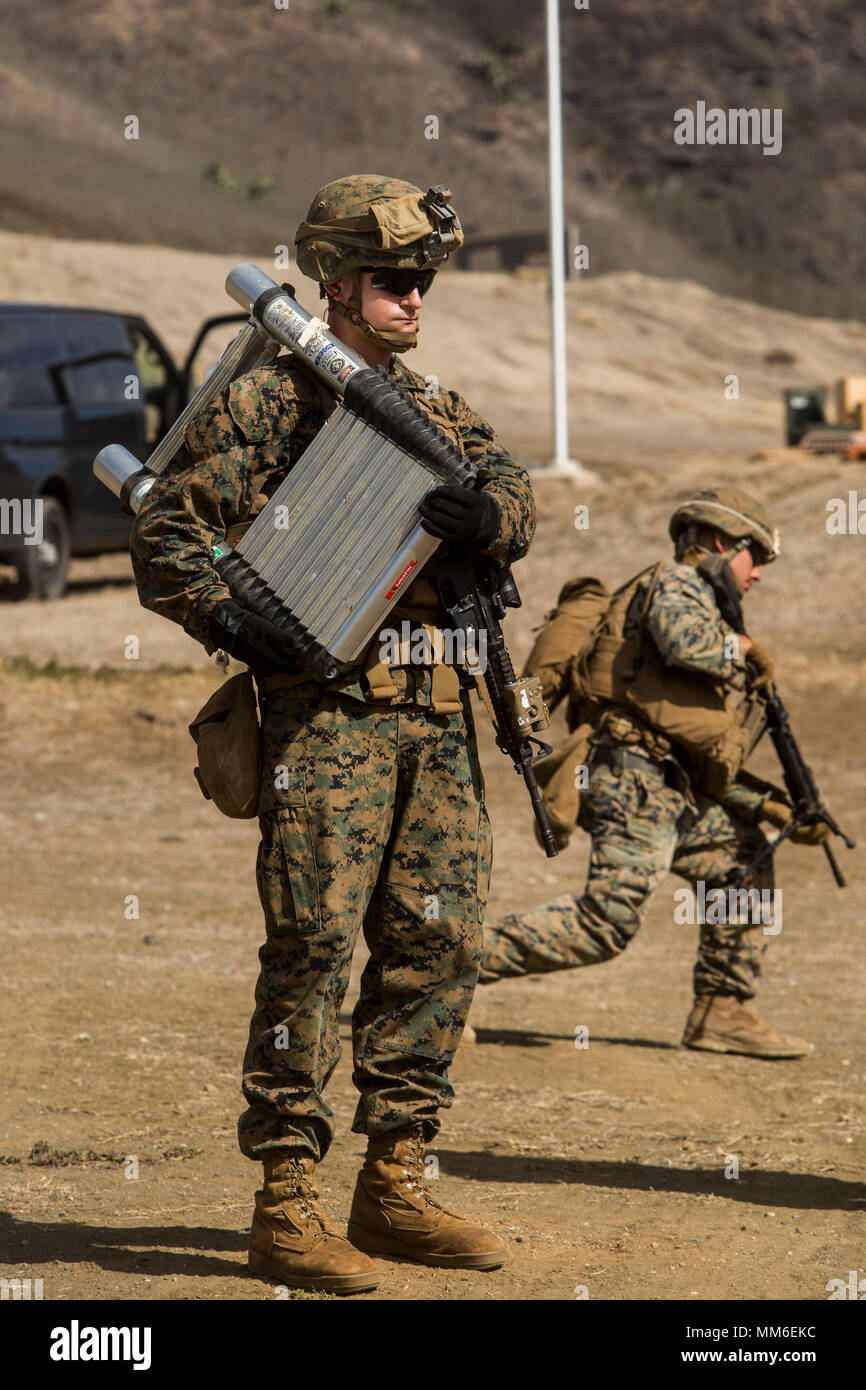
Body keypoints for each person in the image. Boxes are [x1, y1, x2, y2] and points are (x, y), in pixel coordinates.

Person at [129, 175, 536, 1293]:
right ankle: (286, 1203)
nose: (416, 298)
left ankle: (394, 1179)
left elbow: (508, 483)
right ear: (338, 285)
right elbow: (170, 533)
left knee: (439, 947)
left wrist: (491, 517)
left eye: (424, 282)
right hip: (330, 717)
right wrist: (229, 613)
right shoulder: (264, 401)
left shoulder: (423, 402)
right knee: (311, 948)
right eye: (397, 281)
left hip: (439, 716)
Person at [479, 488, 829, 1059]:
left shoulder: (699, 599)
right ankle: (450, 970)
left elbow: (690, 744)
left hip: (665, 783)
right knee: (605, 923)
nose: (758, 575)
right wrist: (742, 647)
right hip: (630, 779)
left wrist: (771, 808)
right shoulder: (677, 582)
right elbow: (684, 642)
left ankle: (722, 1009)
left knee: (742, 862)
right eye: (755, 557)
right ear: (720, 541)